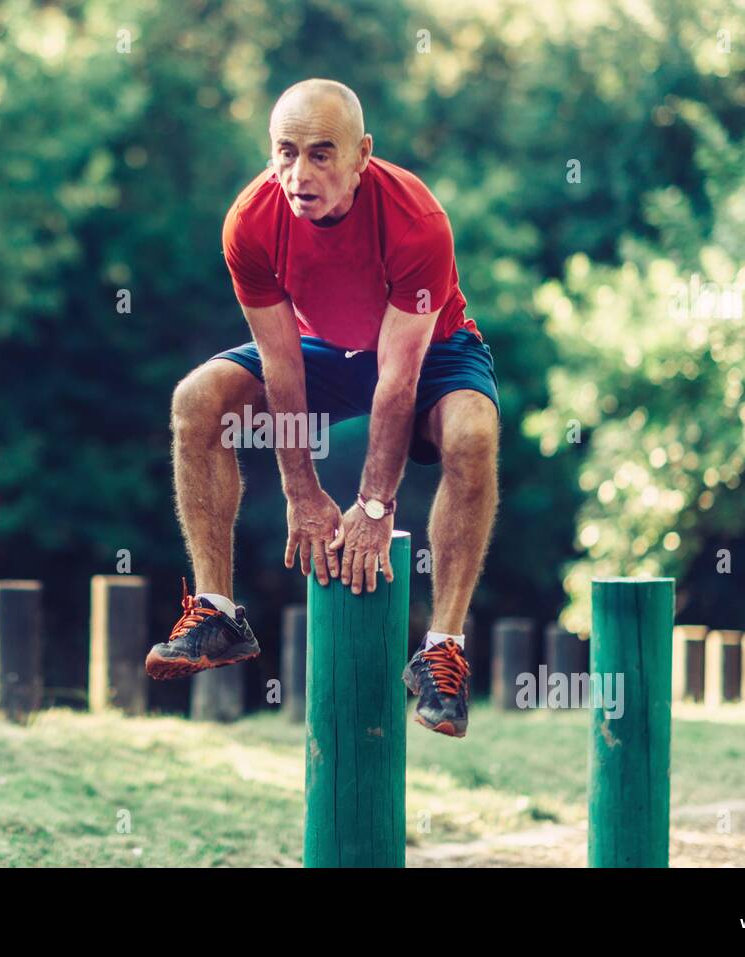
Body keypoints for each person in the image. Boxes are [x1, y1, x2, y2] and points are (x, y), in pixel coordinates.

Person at [144, 78, 500, 737]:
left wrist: (372, 505)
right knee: (196, 401)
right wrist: (301, 490)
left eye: (321, 154)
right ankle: (218, 610)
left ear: (362, 154)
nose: (298, 173)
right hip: (322, 349)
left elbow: (396, 381)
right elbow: (281, 364)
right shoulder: (251, 222)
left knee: (474, 434)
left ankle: (442, 648)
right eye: (285, 151)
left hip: (431, 349)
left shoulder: (417, 221)